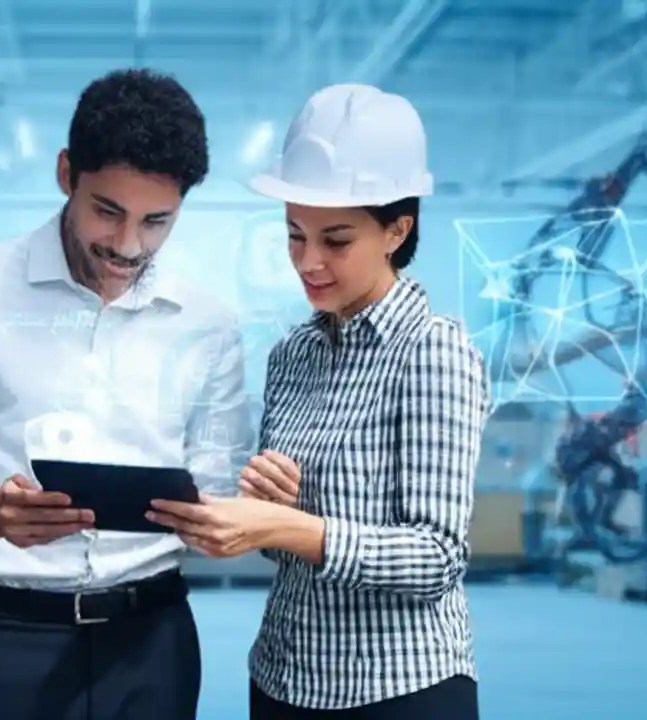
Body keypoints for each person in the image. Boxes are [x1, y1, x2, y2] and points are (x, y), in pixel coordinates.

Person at [0, 68, 254, 720]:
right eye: (108, 211)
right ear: (67, 173)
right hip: (9, 637)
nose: (128, 246)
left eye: (157, 221)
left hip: (154, 640)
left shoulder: (207, 323)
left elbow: (218, 482)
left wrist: (237, 507)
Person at [147, 83, 489, 719]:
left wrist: (285, 525)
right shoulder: (293, 355)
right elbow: (284, 548)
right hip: (285, 680)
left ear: (397, 230)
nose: (308, 261)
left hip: (397, 689)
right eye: (294, 235)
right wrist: (266, 506)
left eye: (336, 241)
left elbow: (436, 557)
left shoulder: (432, 351)